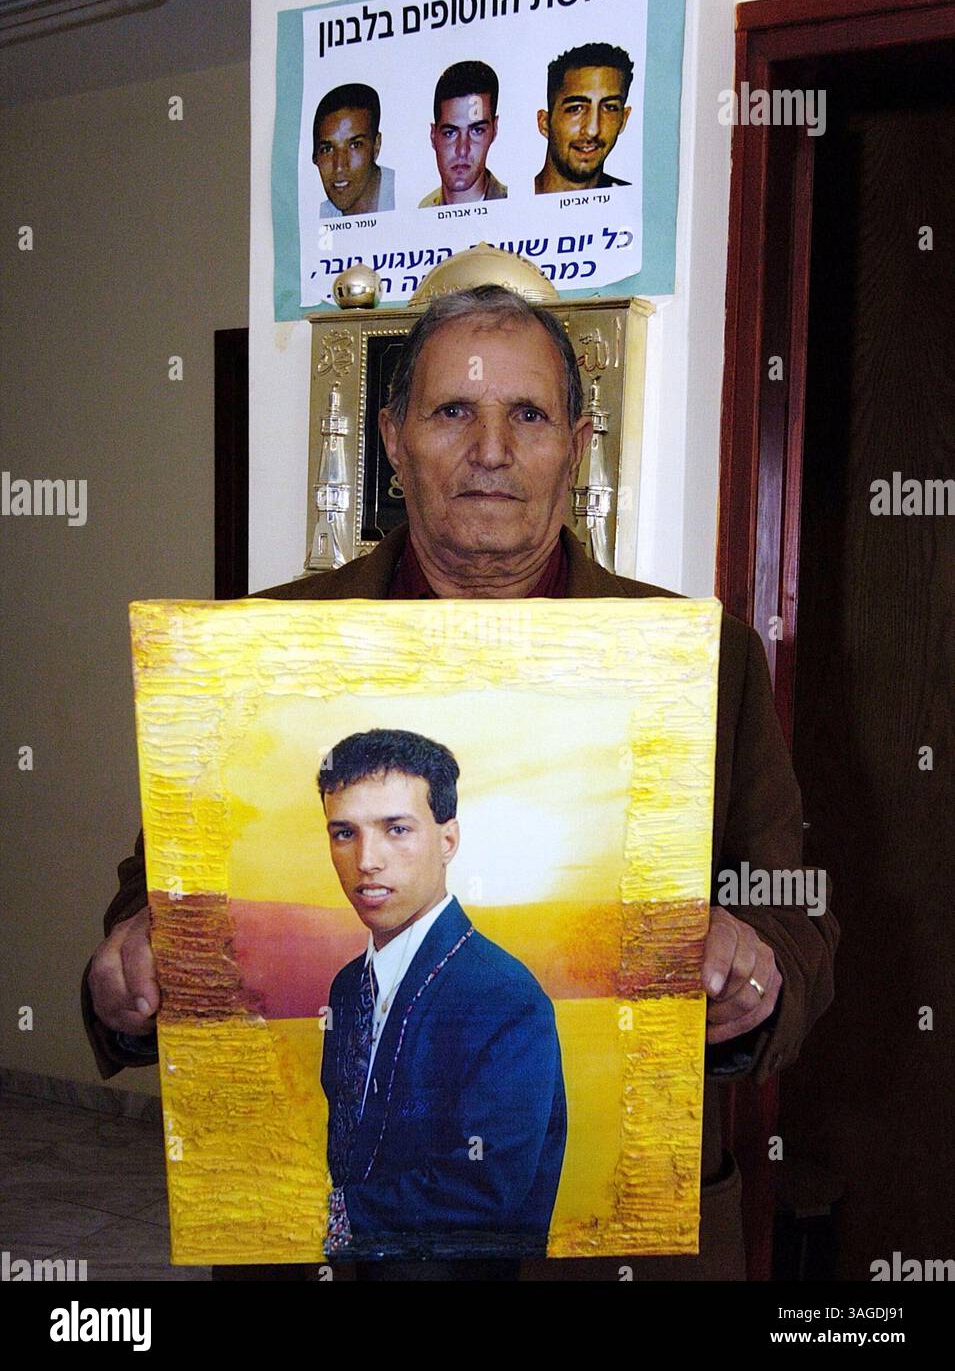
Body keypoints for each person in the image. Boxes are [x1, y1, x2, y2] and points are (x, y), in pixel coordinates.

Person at [83, 283, 839, 1281]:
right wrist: (126, 970)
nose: (491, 448)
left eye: (526, 414)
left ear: (575, 441)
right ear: (394, 442)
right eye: (452, 412)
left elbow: (795, 909)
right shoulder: (263, 651)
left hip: (605, 1246)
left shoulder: (699, 658)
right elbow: (155, 902)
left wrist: (757, 968)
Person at [318, 728, 566, 1259]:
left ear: (447, 840)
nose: (366, 860)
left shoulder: (506, 998)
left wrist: (337, 1215)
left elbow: (488, 1185)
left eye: (396, 829)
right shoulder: (345, 988)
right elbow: (347, 1143)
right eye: (344, 833)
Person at [534, 43, 633, 195]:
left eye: (610, 108)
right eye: (576, 109)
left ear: (623, 119)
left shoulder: (631, 198)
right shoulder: (513, 196)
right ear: (544, 123)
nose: (593, 130)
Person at [419, 61, 507, 207]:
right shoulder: (423, 209)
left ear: (494, 129)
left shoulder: (511, 205)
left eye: (477, 131)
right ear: (433, 136)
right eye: (450, 133)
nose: (462, 150)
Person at [313, 83, 395, 218]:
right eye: (328, 149)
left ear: (376, 145)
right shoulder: (321, 217)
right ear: (315, 157)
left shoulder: (403, 195)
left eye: (355, 145)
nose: (339, 166)